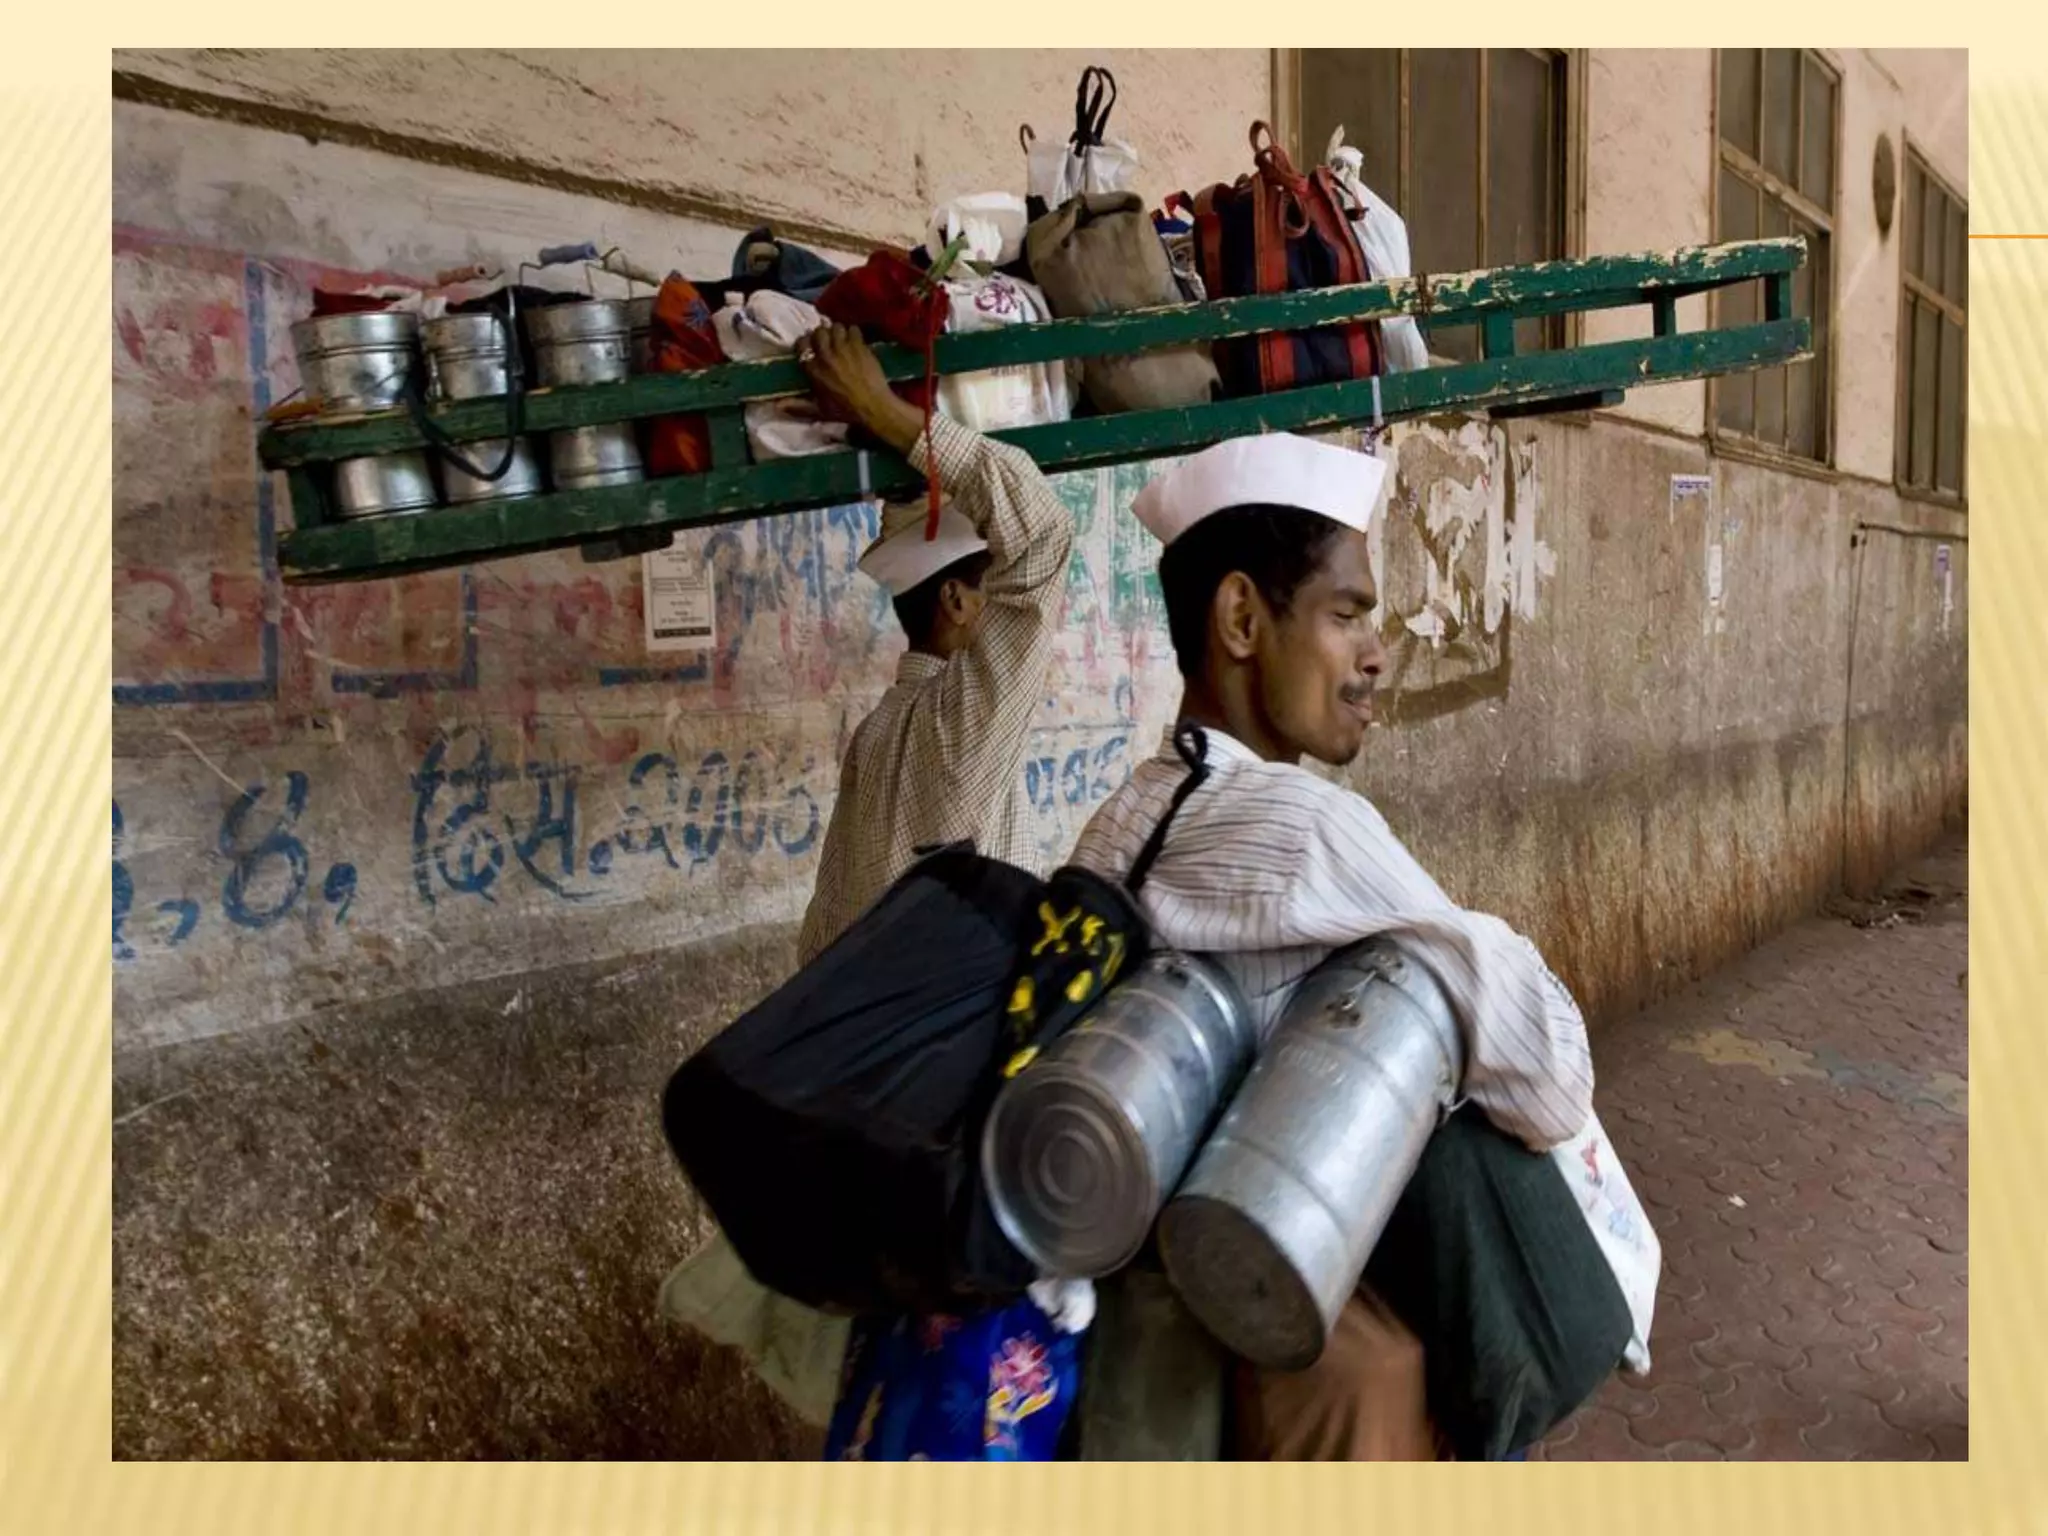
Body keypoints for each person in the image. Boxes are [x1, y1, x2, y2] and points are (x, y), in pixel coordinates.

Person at [1066, 432, 1597, 1461]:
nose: (1373, 656)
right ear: (1237, 618)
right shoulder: (1304, 828)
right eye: (1344, 615)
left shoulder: (1123, 820)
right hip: (1293, 1344)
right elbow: (1549, 1077)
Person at [660, 321, 1082, 1449]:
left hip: (865, 1135)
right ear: (954, 609)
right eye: (983, 596)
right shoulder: (954, 721)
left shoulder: (880, 732)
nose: (1000, 611)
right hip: (930, 1134)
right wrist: (903, 425)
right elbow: (1043, 540)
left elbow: (824, 941)